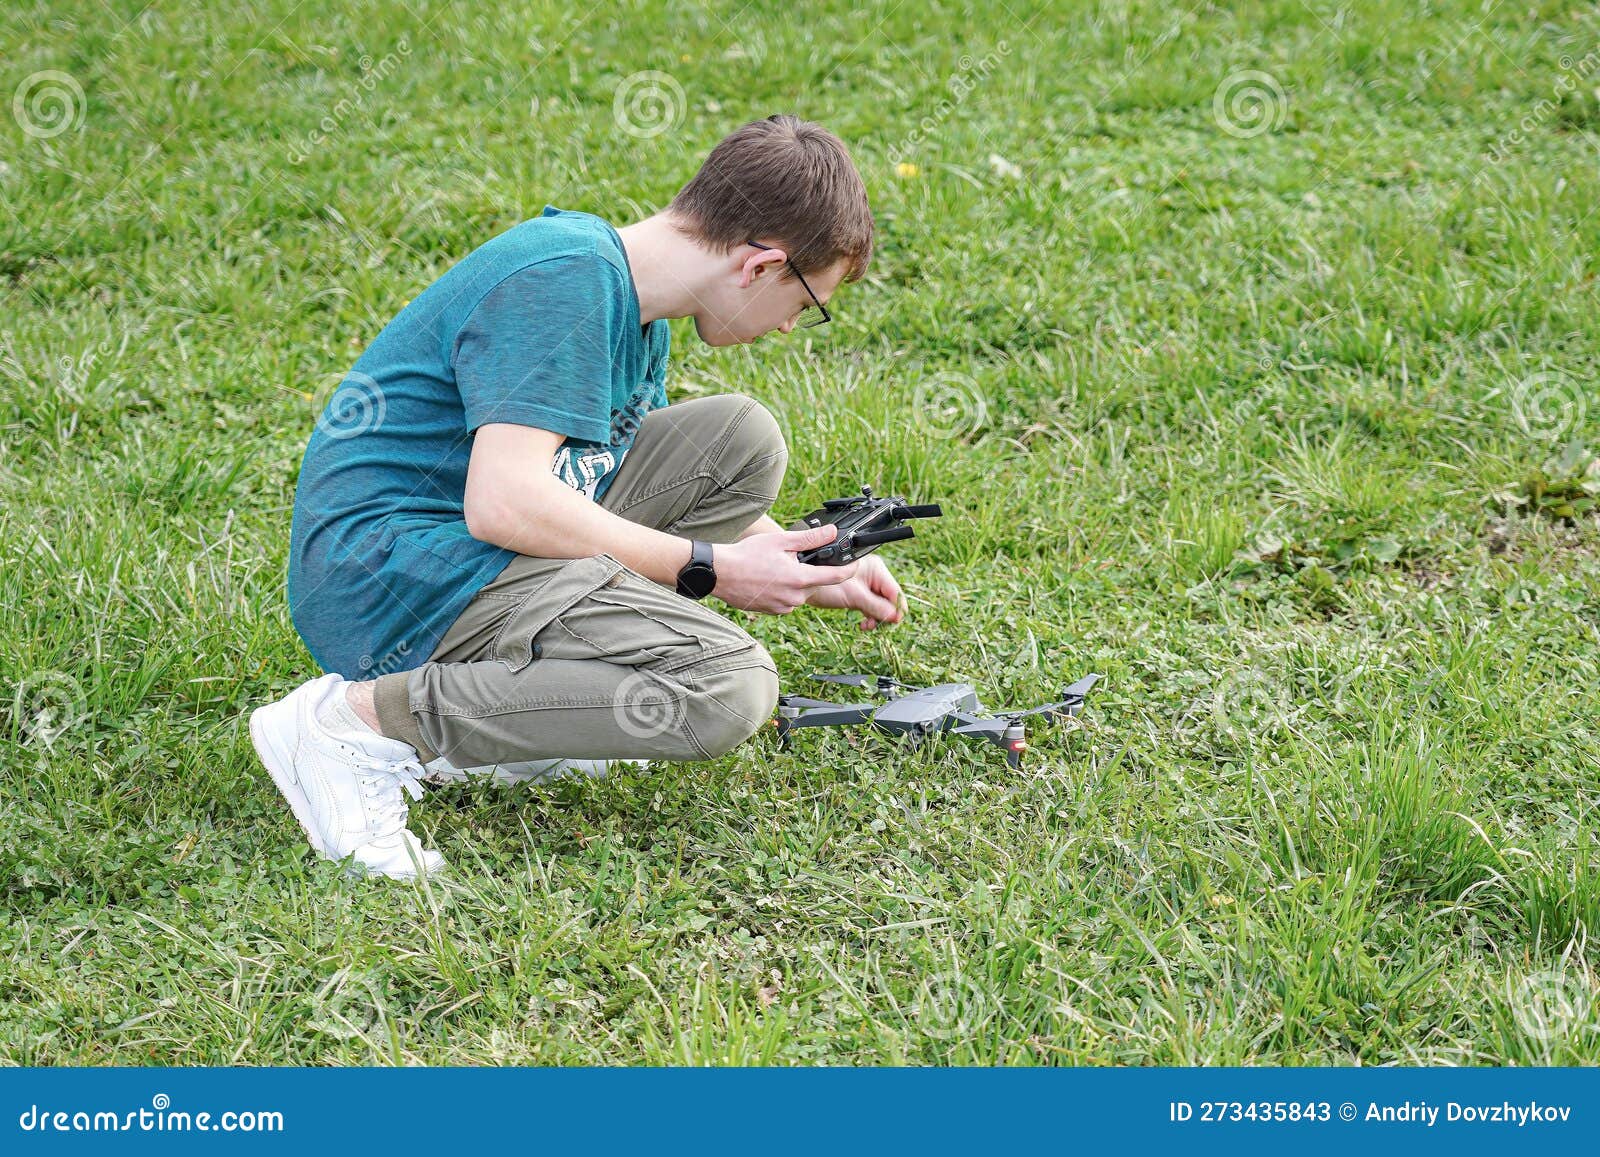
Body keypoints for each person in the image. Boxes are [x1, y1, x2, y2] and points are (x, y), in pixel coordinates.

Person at [248, 115, 905, 880]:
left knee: (740, 439)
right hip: (393, 581)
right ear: (760, 267)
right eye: (808, 303)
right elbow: (504, 503)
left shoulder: (633, 297)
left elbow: (591, 471)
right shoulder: (563, 282)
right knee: (729, 687)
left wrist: (800, 557)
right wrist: (710, 569)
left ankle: (509, 718)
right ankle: (355, 726)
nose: (794, 326)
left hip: (457, 548)